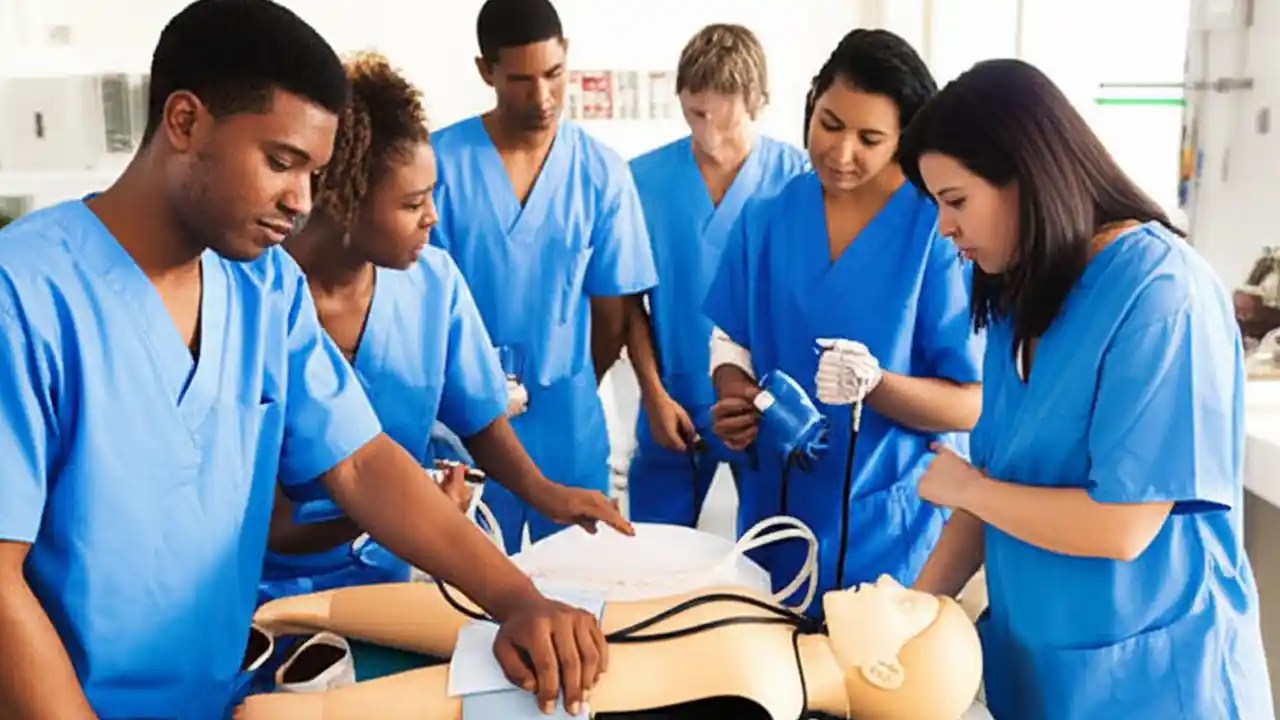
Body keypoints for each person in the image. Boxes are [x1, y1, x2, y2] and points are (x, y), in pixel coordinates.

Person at [0, 2, 604, 717]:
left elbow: (359, 462)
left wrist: (514, 598)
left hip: (217, 695)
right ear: (185, 122)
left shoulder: (263, 284)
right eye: (281, 163)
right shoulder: (26, 294)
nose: (300, 201)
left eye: (314, 173)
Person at [902, 59, 1275, 720]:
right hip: (1046, 679)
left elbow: (1122, 525)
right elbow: (987, 495)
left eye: (955, 200)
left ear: (1029, 174)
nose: (944, 228)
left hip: (1158, 687)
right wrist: (901, 618)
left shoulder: (1163, 296)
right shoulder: (1022, 295)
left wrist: (967, 488)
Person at [262, 51, 632, 604]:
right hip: (268, 590)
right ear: (344, 202)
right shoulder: (258, 297)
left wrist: (544, 492)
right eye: (413, 203)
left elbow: (479, 414)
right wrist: (413, 512)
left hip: (390, 576)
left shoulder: (431, 283)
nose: (433, 216)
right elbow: (271, 522)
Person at [703, 29, 983, 615]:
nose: (841, 151)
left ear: (904, 140)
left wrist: (876, 386)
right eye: (830, 124)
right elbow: (731, 339)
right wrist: (735, 399)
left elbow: (969, 403)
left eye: (870, 138)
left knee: (876, 682)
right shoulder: (766, 218)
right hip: (775, 519)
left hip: (891, 531)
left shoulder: (935, 234)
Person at [430, 0, 657, 551]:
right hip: (466, 422)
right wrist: (473, 389)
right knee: (471, 590)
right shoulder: (440, 165)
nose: (543, 98)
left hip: (569, 421)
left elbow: (612, 316)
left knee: (580, 588)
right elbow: (419, 307)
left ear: (568, 58)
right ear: (487, 71)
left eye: (554, 74)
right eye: (521, 80)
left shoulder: (601, 172)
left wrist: (568, 382)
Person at [239, 574, 984, 720]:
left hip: (526, 702)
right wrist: (516, 601)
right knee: (309, 614)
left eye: (906, 603)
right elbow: (612, 615)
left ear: (883, 668)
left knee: (275, 717)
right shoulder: (769, 614)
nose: (888, 579)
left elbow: (581, 699)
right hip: (558, 629)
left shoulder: (760, 699)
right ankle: (297, 610)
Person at [624, 24, 809, 528]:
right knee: (653, 557)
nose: (707, 137)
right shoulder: (642, 181)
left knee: (776, 556)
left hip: (765, 407)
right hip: (673, 402)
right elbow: (626, 301)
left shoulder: (800, 181)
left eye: (723, 122)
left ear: (759, 104)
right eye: (694, 114)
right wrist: (653, 394)